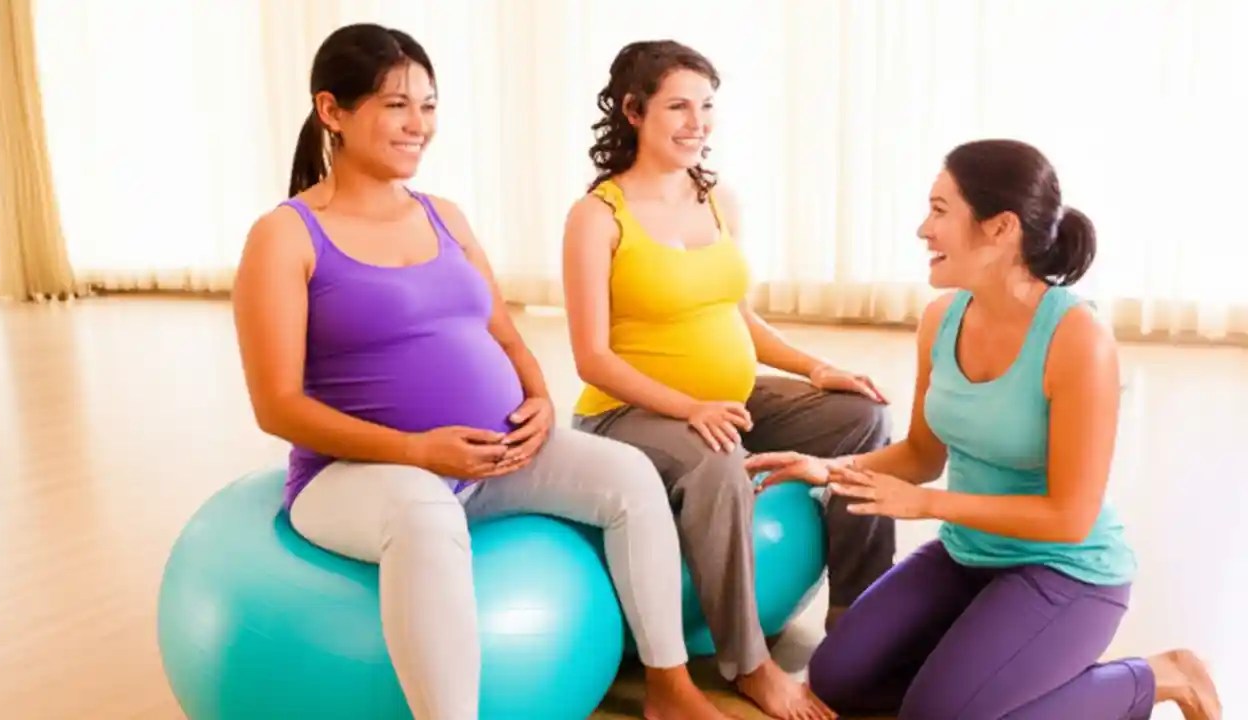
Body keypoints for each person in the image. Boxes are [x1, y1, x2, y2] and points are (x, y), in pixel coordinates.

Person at [231, 24, 738, 720]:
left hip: (493, 455)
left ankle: (670, 686)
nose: (419, 125)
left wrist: (538, 398)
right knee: (422, 510)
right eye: (396, 105)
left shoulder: (443, 216)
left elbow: (505, 332)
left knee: (630, 478)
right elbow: (277, 406)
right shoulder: (284, 236)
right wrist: (415, 451)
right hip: (350, 474)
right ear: (331, 111)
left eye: (429, 106)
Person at [747, 139, 1222, 719]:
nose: (924, 229)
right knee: (837, 677)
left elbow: (1069, 517)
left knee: (939, 716)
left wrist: (926, 506)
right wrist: (830, 469)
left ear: (1000, 229)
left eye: (941, 210)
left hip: (1066, 571)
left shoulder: (1077, 339)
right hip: (970, 556)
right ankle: (979, 679)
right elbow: (922, 453)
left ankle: (1158, 677)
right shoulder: (941, 319)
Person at [563, 39, 890, 720]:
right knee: (718, 461)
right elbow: (591, 359)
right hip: (626, 414)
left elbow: (741, 320)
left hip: (728, 401)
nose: (697, 122)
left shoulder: (716, 200)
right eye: (678, 106)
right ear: (632, 111)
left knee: (860, 417)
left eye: (707, 106)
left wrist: (817, 369)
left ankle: (859, 620)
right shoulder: (597, 217)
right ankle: (749, 664)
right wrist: (690, 408)